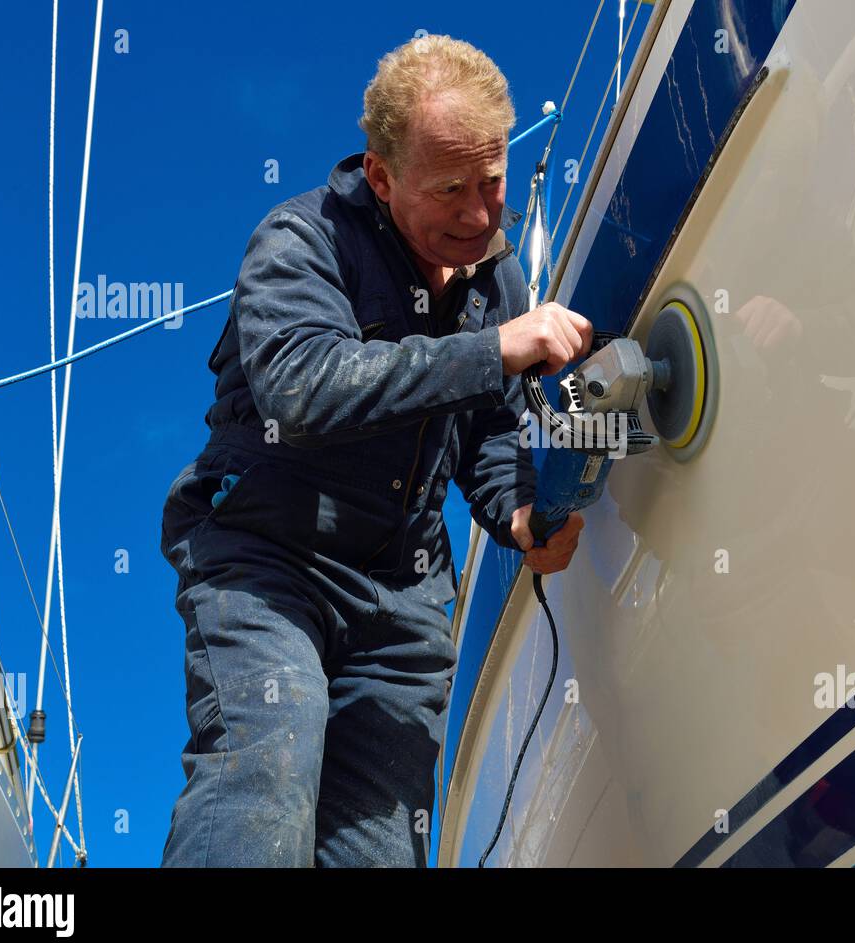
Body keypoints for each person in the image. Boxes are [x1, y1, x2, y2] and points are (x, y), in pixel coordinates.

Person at [157, 34, 590, 867]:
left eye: (492, 181)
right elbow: (304, 386)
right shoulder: (298, 241)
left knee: (381, 850)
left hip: (403, 599)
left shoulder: (498, 286)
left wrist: (520, 512)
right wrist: (494, 348)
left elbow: (491, 434)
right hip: (269, 563)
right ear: (383, 177)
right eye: (451, 189)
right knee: (264, 781)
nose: (478, 214)